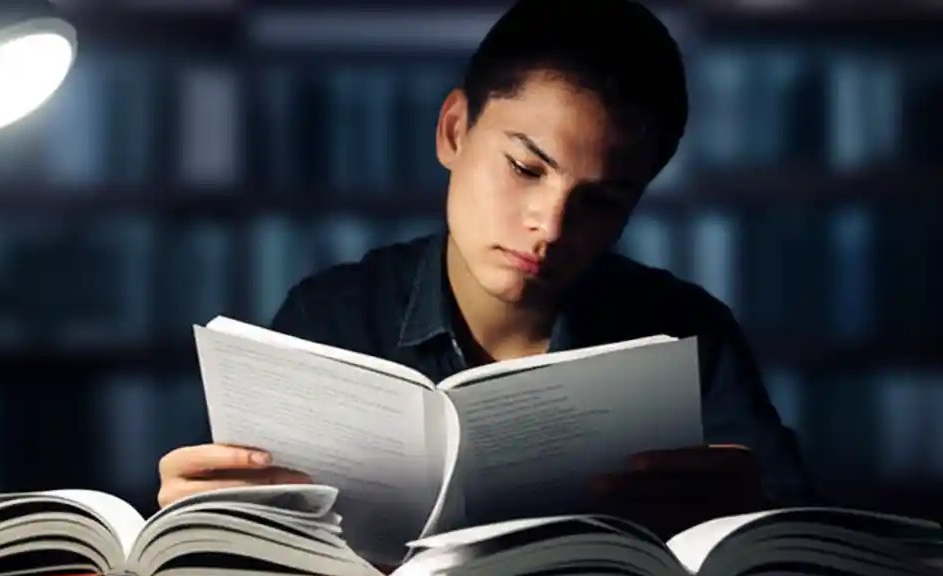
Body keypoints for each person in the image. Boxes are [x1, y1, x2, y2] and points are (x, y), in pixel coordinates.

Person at [158, 0, 817, 537]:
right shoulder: (331, 317)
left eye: (602, 201)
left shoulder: (685, 334)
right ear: (453, 131)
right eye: (526, 168)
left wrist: (749, 516)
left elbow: (800, 547)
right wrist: (203, 519)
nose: (551, 225)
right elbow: (251, 544)